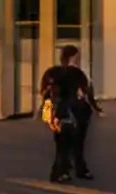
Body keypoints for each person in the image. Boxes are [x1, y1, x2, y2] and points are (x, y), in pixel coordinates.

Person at [39, 44, 100, 183]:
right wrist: (96, 109)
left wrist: (48, 112)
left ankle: (68, 170)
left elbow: (44, 92)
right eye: (77, 57)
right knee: (74, 144)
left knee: (62, 144)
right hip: (74, 113)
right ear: (72, 57)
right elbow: (86, 93)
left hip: (60, 113)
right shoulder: (77, 74)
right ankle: (65, 171)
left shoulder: (52, 72)